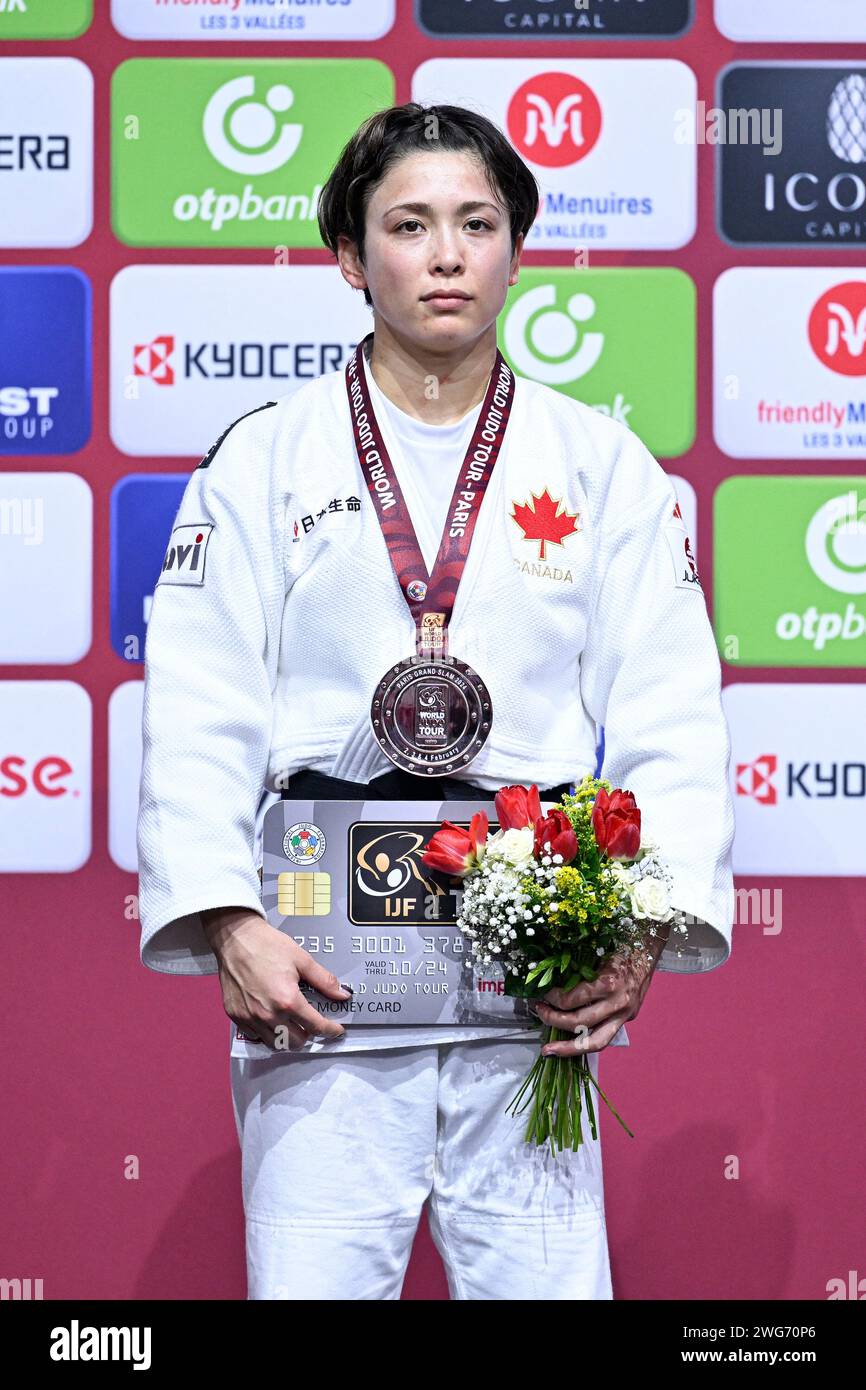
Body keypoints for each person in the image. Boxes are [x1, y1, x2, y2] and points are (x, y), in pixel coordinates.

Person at [136, 102, 736, 1301]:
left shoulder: (597, 462)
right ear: (352, 259)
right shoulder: (262, 457)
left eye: (476, 221)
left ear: (516, 244)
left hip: (531, 975)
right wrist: (223, 916)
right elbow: (199, 704)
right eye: (409, 225)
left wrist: (643, 930)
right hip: (319, 974)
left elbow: (673, 711)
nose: (448, 252)